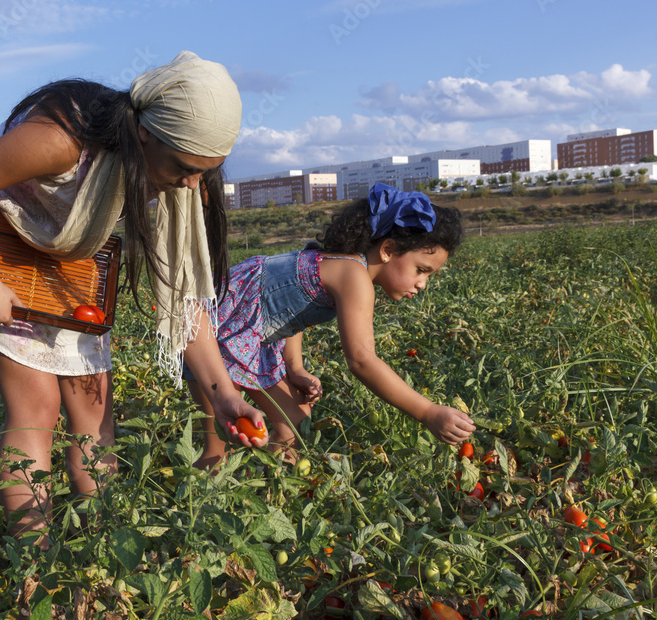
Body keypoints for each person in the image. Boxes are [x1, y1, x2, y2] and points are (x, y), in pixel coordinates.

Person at [0, 51, 267, 543]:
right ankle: (33, 559)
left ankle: (100, 548)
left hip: (71, 252)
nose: (192, 184)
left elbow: (184, 301)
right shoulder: (58, 142)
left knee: (94, 410)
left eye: (206, 171)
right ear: (145, 134)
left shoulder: (180, 180)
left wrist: (225, 395)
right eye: (187, 168)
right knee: (36, 409)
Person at [187, 182, 476, 469]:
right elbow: (362, 361)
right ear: (388, 249)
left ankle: (277, 492)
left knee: (295, 425)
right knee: (218, 453)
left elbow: (289, 314)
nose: (423, 283)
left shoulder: (335, 262)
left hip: (243, 336)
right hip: (211, 338)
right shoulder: (354, 277)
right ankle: (187, 509)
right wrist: (427, 412)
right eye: (421, 270)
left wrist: (295, 367)